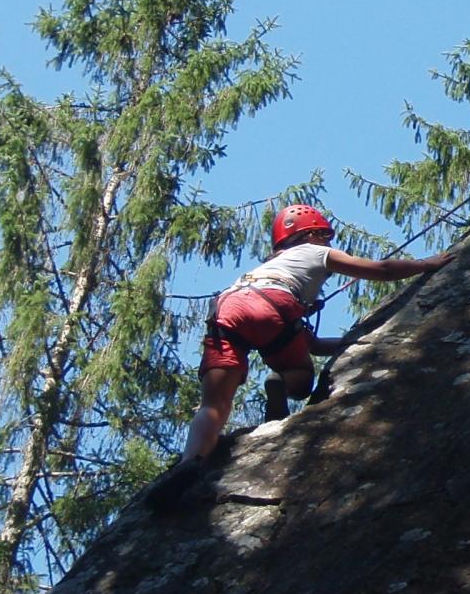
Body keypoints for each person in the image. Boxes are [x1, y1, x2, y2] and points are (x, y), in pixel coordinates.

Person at [148, 204, 451, 509]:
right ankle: (280, 380)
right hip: (275, 305)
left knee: (213, 405)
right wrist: (426, 264)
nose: (329, 243)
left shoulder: (266, 267)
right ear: (315, 233)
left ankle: (191, 461)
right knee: (302, 381)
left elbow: (313, 344)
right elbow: (381, 270)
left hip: (228, 307)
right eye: (326, 237)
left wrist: (353, 342)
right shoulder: (316, 252)